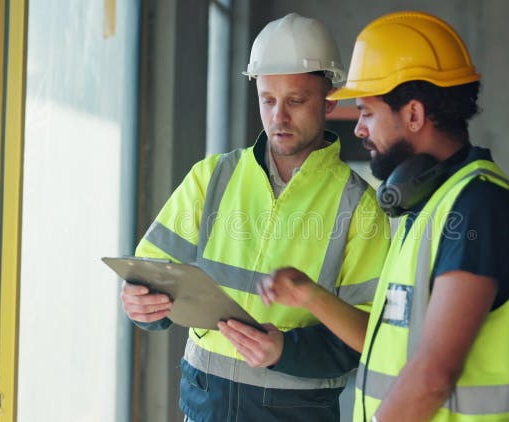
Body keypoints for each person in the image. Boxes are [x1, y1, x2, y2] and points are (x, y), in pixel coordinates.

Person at [258, 11, 509, 421]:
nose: (359, 129)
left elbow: (433, 375)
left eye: (366, 112)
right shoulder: (430, 206)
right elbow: (388, 344)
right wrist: (309, 295)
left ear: (413, 115)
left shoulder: (479, 207)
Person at [119, 13, 390, 422]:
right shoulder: (212, 177)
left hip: (295, 414)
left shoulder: (360, 207)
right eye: (268, 99)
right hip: (204, 404)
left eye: (296, 101)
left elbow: (367, 337)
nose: (278, 117)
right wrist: (142, 306)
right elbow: (151, 272)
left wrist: (286, 351)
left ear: (329, 101)